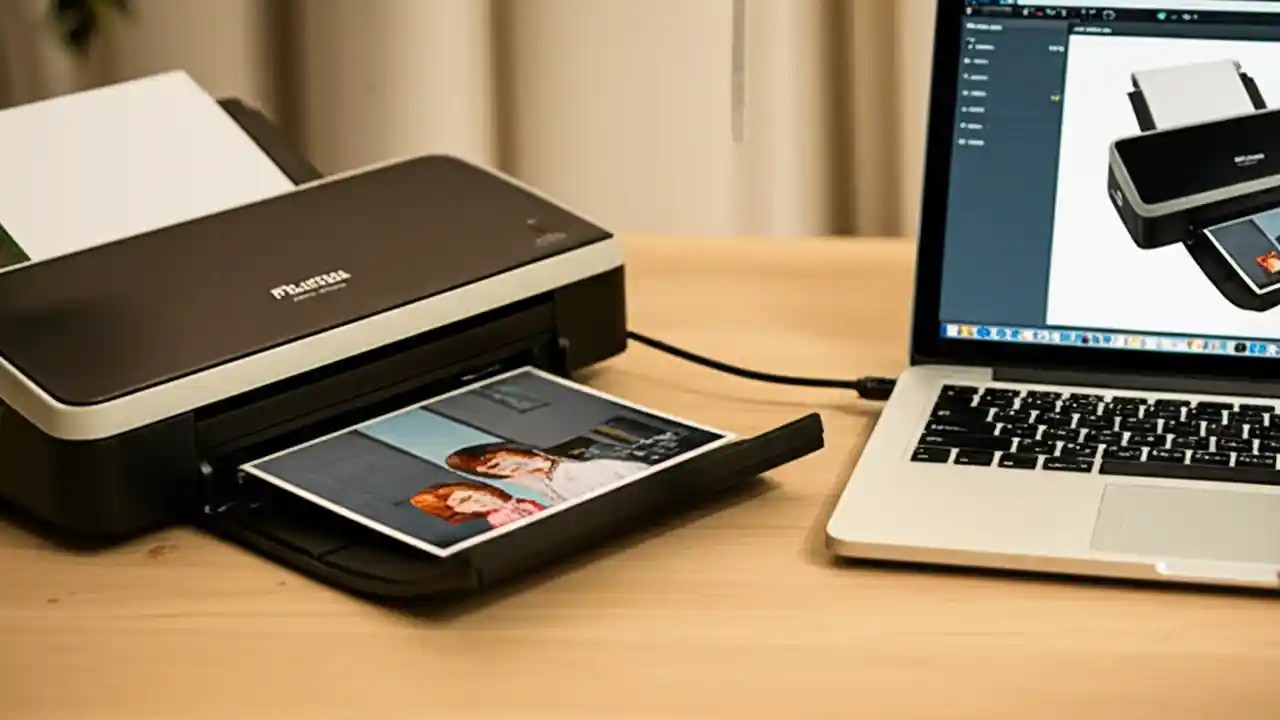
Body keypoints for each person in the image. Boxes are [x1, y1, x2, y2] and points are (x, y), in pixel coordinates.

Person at [444, 443, 650, 502]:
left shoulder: (585, 455)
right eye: (495, 471)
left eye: (496, 461)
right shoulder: (552, 489)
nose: (505, 468)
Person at [409, 480, 545, 528]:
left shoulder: (514, 492)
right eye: (463, 506)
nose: (473, 503)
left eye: (467, 497)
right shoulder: (498, 518)